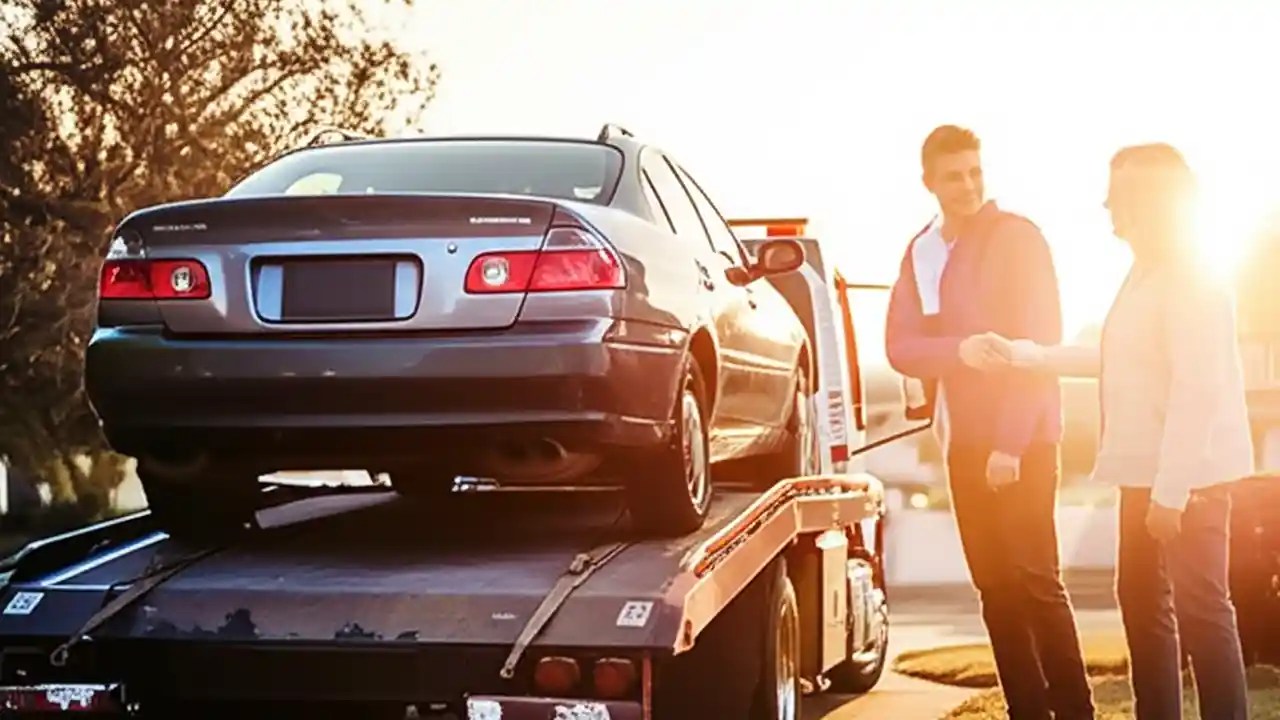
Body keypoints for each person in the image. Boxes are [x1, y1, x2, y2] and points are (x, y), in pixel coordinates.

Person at [971, 142, 1254, 720]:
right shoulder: (1146, 272)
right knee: (1144, 606)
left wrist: (1171, 493)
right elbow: (1117, 358)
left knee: (1203, 614)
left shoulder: (1190, 277)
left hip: (1186, 483)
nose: (1106, 204)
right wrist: (1024, 355)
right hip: (1145, 478)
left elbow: (1196, 389)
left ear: (1151, 199)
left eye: (1118, 193)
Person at [885, 125, 1095, 720]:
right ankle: (1027, 710)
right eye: (954, 175)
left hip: (1024, 440)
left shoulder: (1018, 238)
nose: (969, 185)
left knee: (1036, 581)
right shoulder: (921, 251)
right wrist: (958, 350)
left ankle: (1075, 712)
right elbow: (901, 345)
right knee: (995, 589)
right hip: (962, 444)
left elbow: (1040, 343)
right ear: (929, 182)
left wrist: (1010, 444)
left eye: (975, 171)